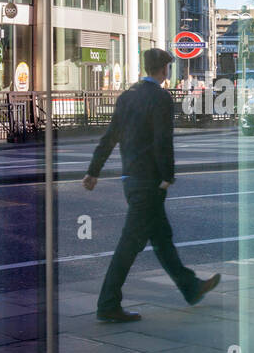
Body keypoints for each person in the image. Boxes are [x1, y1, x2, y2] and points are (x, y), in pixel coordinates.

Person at [83, 47, 220, 322]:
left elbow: (110, 137)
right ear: (163, 70)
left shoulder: (127, 97)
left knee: (162, 238)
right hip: (150, 183)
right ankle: (108, 303)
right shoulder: (160, 98)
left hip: (130, 179)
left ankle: (191, 287)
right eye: (167, 68)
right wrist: (167, 176)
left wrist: (93, 170)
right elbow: (162, 140)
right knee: (129, 244)